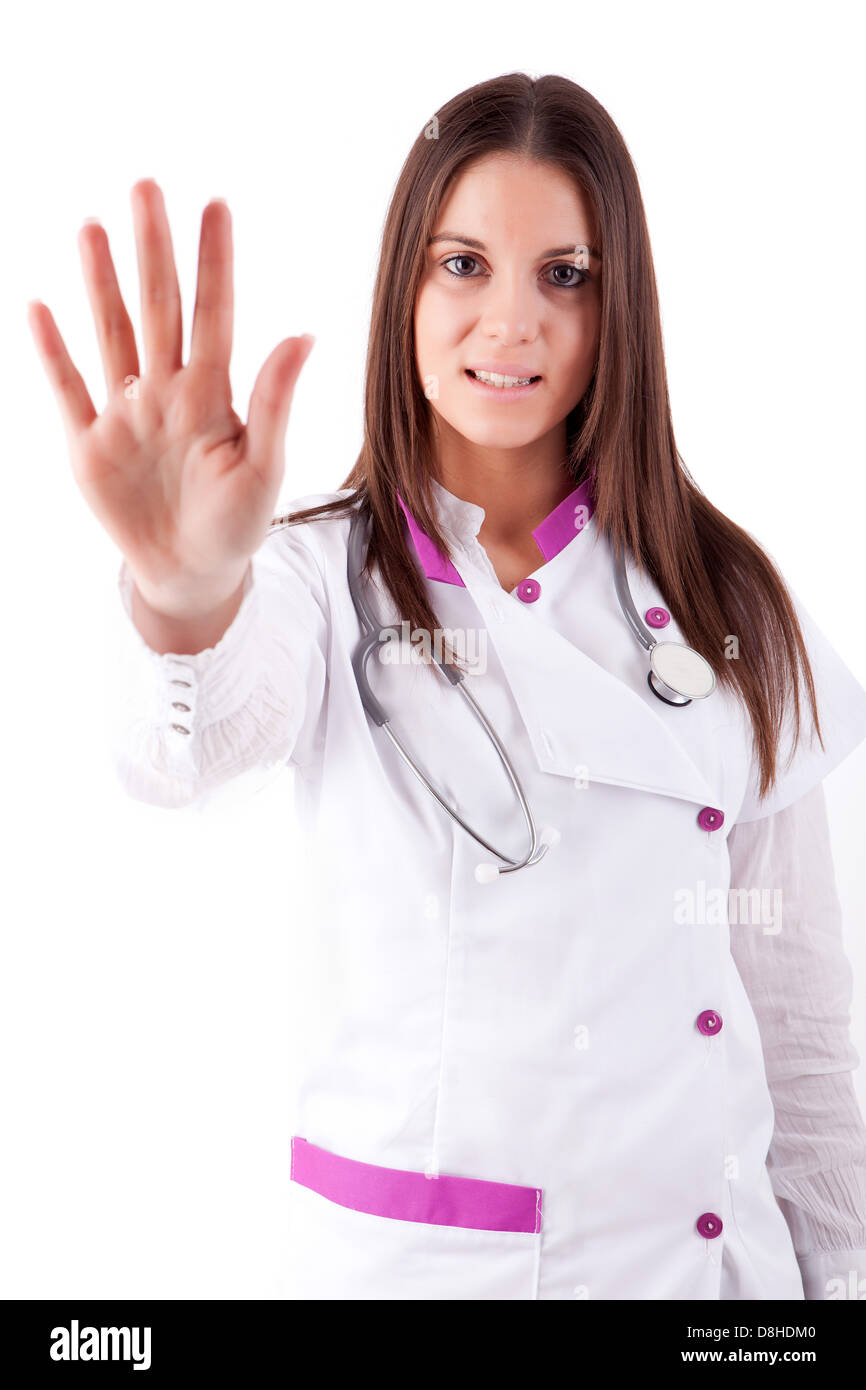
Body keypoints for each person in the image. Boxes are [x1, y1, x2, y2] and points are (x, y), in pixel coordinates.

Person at [28, 72, 866, 1301]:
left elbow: (793, 1022)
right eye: (461, 264)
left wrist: (836, 1283)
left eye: (562, 275)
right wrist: (185, 587)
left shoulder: (727, 595)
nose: (509, 324)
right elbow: (186, 746)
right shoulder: (318, 579)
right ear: (402, 291)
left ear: (617, 305)